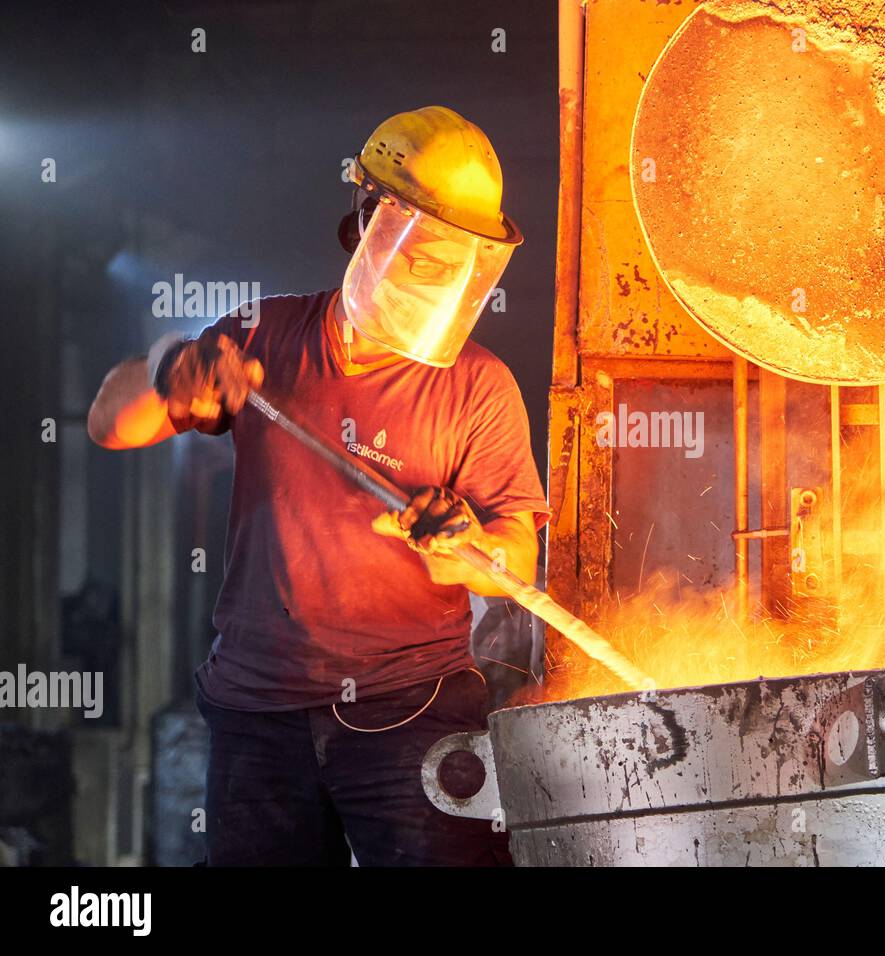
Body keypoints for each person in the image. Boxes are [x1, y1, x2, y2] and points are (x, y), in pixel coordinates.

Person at [87, 106, 547, 866]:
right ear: (366, 221)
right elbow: (111, 421)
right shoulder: (262, 335)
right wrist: (175, 367)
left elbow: (516, 564)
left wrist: (461, 546)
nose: (431, 273)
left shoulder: (478, 387)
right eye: (418, 248)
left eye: (450, 260)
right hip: (259, 713)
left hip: (414, 711)